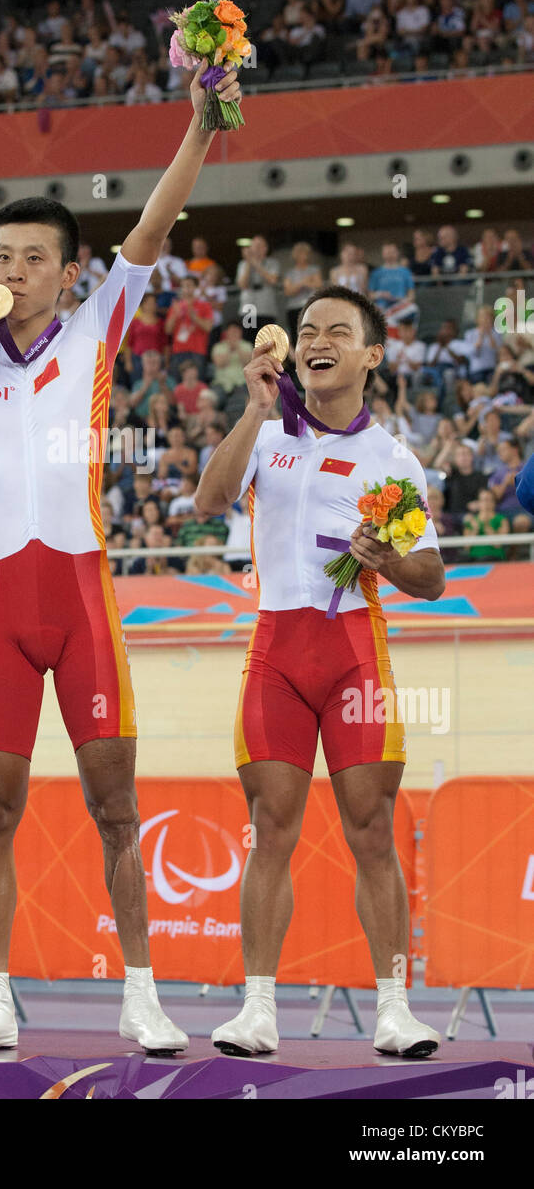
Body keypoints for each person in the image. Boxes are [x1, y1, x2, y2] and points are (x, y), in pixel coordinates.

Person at [0, 59, 243, 1056]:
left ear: (65, 270)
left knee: (114, 806)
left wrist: (198, 127)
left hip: (83, 600)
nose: (8, 271)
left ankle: (141, 993)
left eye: (29, 259)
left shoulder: (94, 328)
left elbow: (155, 227)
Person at [195, 284, 445, 1059]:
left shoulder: (388, 459)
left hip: (351, 657)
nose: (317, 341)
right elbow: (208, 500)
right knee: (271, 826)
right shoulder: (269, 439)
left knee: (372, 830)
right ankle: (258, 1009)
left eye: (338, 331)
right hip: (275, 655)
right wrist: (253, 410)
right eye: (307, 331)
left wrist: (391, 559)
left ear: (372, 354)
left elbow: (432, 576)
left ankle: (395, 1010)